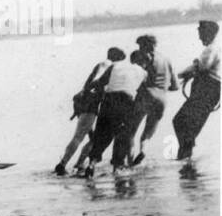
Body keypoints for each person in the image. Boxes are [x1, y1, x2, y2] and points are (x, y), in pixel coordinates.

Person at [78, 47, 145, 176]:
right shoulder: (143, 72)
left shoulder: (116, 66)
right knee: (122, 135)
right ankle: (117, 168)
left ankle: (91, 165)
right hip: (126, 101)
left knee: (101, 135)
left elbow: (100, 82)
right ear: (143, 62)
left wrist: (84, 92)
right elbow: (143, 94)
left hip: (109, 100)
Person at [55, 52, 112, 175]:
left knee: (90, 138)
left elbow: (91, 82)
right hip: (92, 101)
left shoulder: (103, 64)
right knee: (81, 136)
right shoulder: (107, 64)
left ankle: (77, 164)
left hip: (86, 100)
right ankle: (64, 164)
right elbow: (96, 81)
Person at [172, 19, 220, 161]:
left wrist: (176, 76)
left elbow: (199, 68)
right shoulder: (215, 48)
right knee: (187, 123)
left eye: (200, 33)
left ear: (207, 33)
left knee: (180, 121)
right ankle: (187, 158)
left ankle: (186, 158)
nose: (199, 37)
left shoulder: (211, 49)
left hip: (207, 89)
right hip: (210, 90)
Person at [128, 35, 177, 165]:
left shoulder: (144, 58)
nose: (139, 49)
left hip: (146, 95)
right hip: (162, 99)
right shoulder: (167, 59)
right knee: (147, 135)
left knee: (130, 132)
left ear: (146, 45)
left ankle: (129, 163)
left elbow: (136, 77)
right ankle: (143, 151)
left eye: (140, 46)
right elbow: (175, 86)